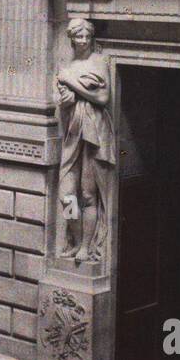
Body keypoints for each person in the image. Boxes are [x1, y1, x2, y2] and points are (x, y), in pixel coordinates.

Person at [55, 18, 116, 263]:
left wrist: (71, 83)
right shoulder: (66, 65)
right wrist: (68, 94)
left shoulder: (99, 62)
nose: (82, 41)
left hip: (94, 135)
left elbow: (102, 98)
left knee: (88, 194)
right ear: (71, 39)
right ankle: (77, 239)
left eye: (86, 37)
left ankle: (86, 246)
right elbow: (63, 100)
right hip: (72, 134)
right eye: (78, 37)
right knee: (66, 195)